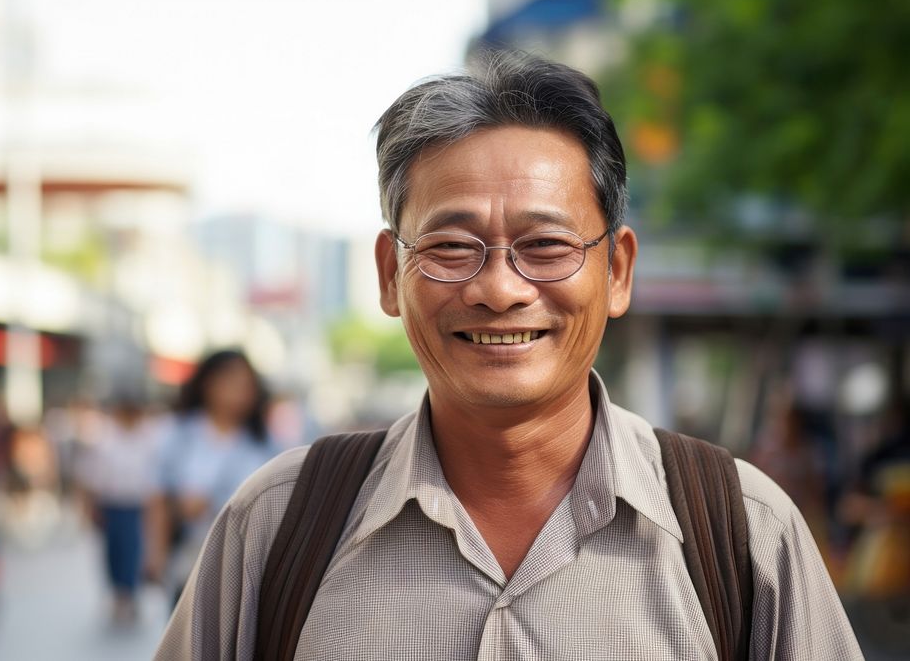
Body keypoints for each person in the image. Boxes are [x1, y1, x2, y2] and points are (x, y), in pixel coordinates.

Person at [155, 52, 862, 659]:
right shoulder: (278, 529)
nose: (498, 288)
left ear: (616, 270)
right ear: (386, 274)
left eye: (546, 245)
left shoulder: (741, 537)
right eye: (451, 247)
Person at [146, 349, 275, 610]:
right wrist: (156, 554)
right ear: (208, 383)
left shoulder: (264, 444)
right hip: (191, 561)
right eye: (230, 381)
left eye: (246, 384)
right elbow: (158, 496)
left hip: (248, 567)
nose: (239, 391)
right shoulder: (181, 435)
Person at [76, 392, 161, 626]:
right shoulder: (105, 439)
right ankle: (117, 593)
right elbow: (90, 476)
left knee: (132, 552)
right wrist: (89, 506)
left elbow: (154, 478)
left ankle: (129, 594)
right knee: (113, 552)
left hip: (135, 506)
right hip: (111, 504)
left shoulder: (148, 438)